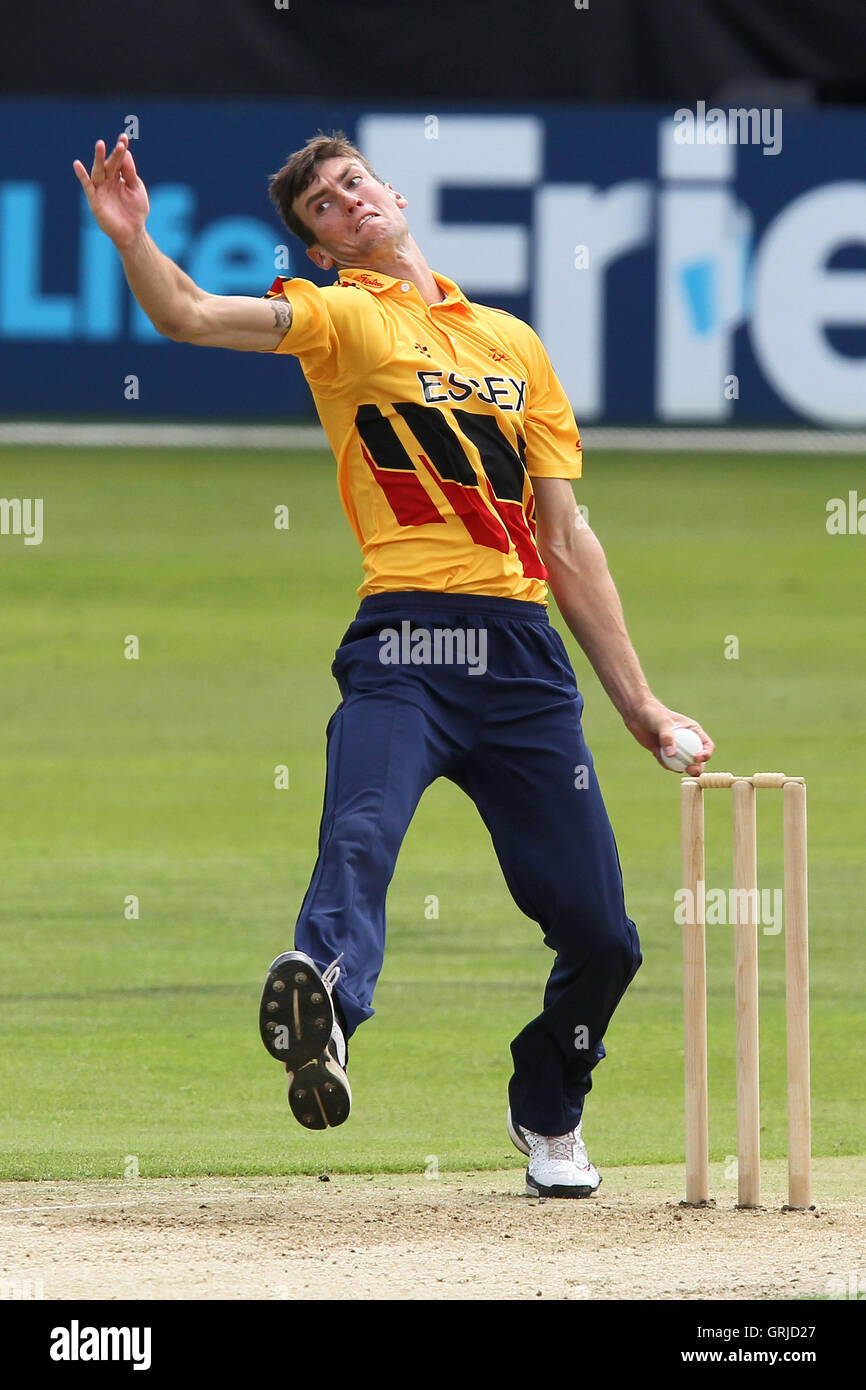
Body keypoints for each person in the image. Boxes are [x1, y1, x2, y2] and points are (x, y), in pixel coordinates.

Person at [74, 129, 714, 1199]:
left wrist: (640, 704)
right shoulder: (342, 317)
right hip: (404, 645)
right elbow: (186, 315)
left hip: (520, 664)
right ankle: (323, 1006)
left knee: (603, 935)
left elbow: (565, 543)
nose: (345, 201)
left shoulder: (514, 345)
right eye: (322, 205)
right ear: (321, 248)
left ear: (392, 192)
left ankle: (549, 1104)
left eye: (352, 182)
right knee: (360, 833)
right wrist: (134, 240)